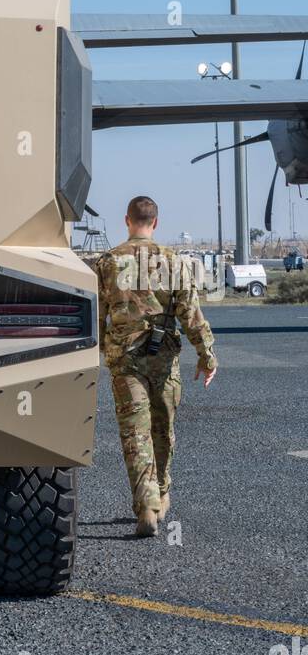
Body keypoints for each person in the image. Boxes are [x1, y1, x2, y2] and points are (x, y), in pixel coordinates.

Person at [96, 195, 217, 538]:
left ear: (127, 221)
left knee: (136, 433)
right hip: (164, 361)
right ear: (156, 223)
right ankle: (161, 494)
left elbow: (96, 316)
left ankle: (147, 506)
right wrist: (206, 355)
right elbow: (191, 315)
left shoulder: (108, 261)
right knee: (163, 430)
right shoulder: (173, 261)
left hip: (125, 362)